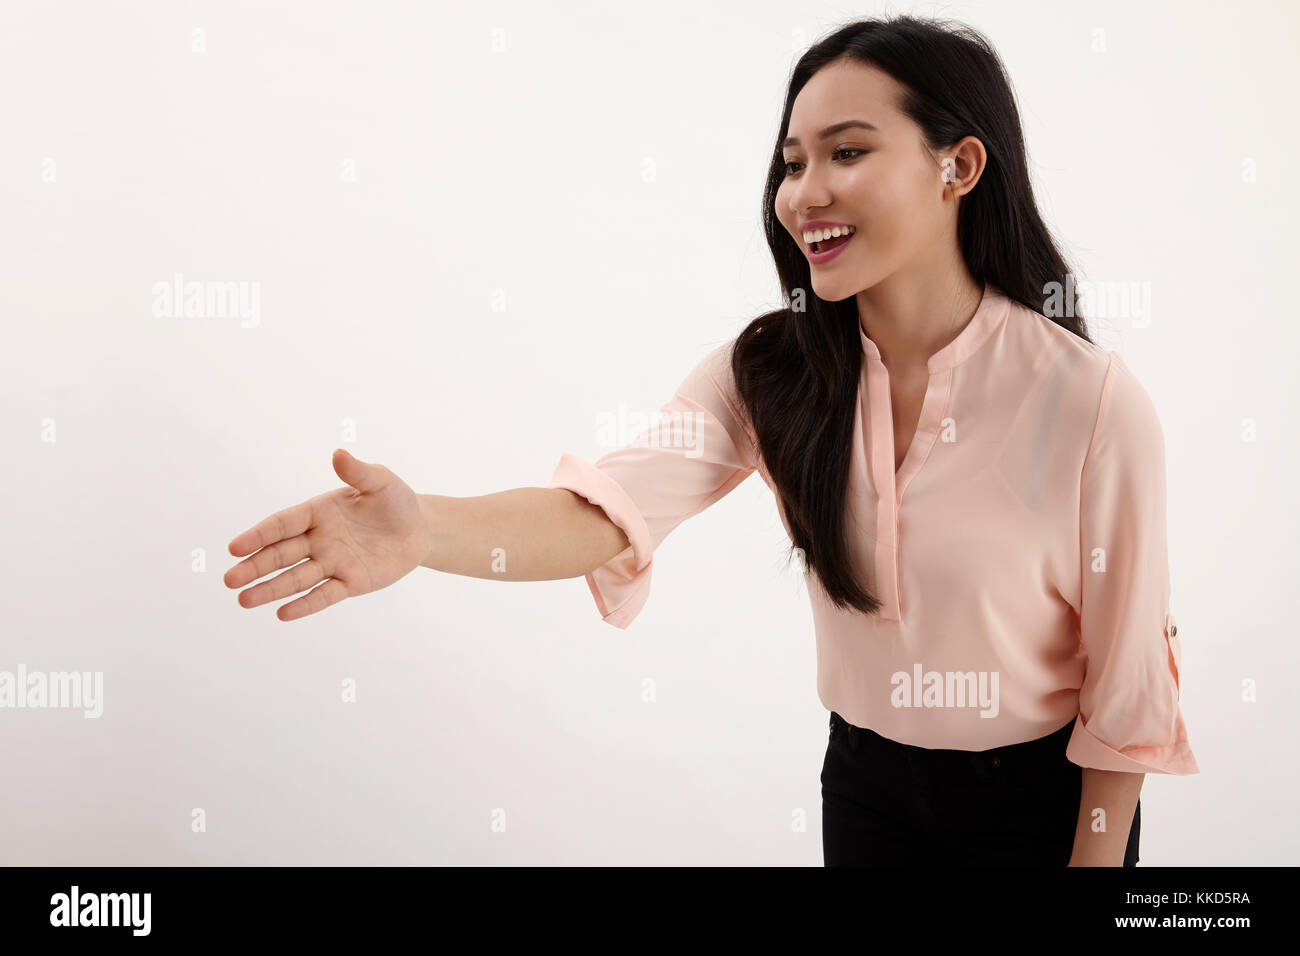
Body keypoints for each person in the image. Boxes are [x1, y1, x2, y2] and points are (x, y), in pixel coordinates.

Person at [224, 15, 1198, 867]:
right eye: (793, 162)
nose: (804, 192)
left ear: (960, 166)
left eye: (847, 152)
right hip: (866, 788)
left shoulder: (1090, 404)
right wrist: (422, 530)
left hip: (1040, 806)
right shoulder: (771, 370)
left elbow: (1126, 687)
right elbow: (604, 513)